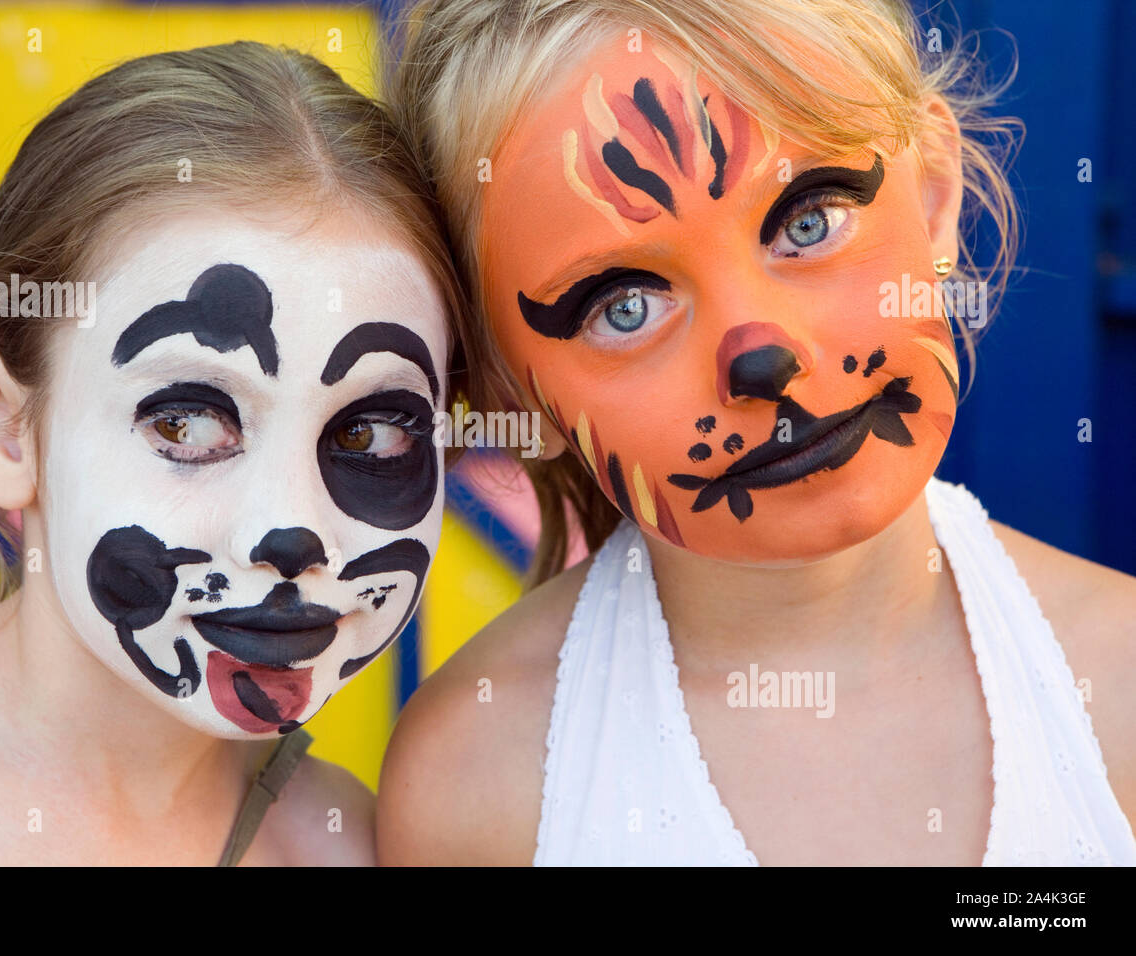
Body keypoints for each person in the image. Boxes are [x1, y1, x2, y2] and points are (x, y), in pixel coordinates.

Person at [378, 0, 1136, 865]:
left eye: (808, 221)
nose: (760, 357)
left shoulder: (1120, 689)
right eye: (625, 306)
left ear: (931, 196)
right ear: (513, 388)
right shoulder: (476, 783)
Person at [0, 41, 473, 865]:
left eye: (370, 435)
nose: (290, 533)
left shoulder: (349, 848)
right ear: (0, 424)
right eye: (187, 425)